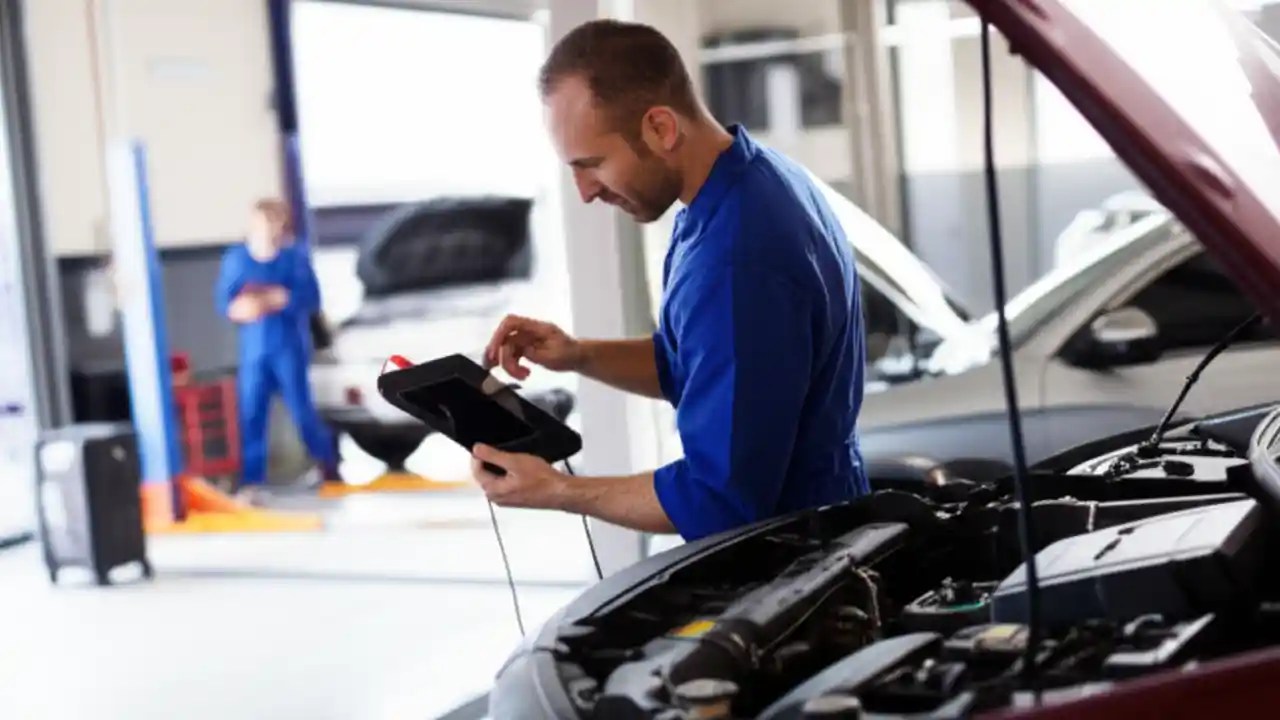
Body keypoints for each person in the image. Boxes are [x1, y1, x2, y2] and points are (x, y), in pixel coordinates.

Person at [471, 19, 870, 543]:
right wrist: (578, 354)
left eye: (593, 164)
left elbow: (718, 497)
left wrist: (558, 490)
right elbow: (698, 365)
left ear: (660, 127)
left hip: (794, 558)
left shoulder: (736, 255)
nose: (586, 191)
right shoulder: (750, 182)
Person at [215, 198, 339, 502]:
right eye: (262, 223)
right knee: (251, 413)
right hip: (254, 351)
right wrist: (246, 307)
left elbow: (309, 298)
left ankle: (328, 468)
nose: (268, 230)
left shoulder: (293, 258)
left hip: (289, 347)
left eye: (274, 223)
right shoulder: (237, 260)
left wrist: (277, 299)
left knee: (302, 410)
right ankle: (251, 481)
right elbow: (225, 303)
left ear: (282, 226)